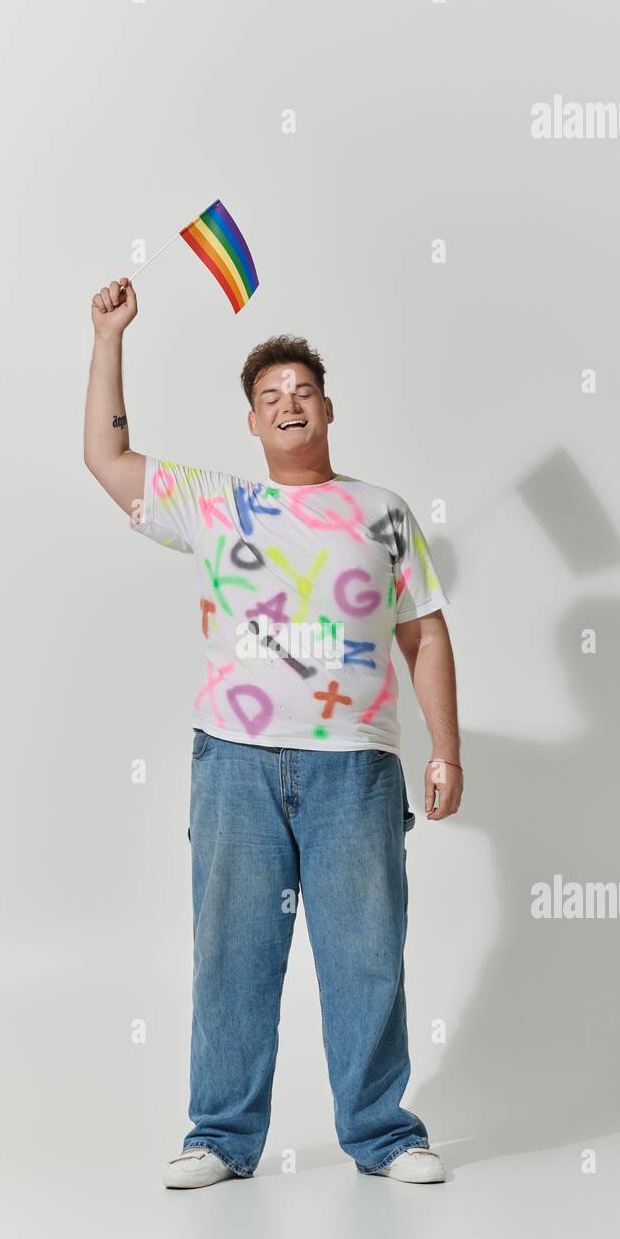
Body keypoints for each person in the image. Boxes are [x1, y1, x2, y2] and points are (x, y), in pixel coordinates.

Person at [84, 277, 463, 1188]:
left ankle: (382, 1133)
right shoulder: (217, 504)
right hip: (235, 763)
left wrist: (445, 746)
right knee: (231, 953)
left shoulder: (383, 510)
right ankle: (220, 1135)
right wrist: (109, 338)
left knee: (367, 954)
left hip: (357, 770)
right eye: (269, 397)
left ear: (327, 408)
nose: (288, 403)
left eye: (302, 391)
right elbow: (107, 457)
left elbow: (425, 631)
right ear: (252, 423)